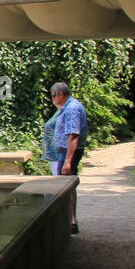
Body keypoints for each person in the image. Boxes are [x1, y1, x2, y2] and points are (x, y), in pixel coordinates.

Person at [49, 81, 88, 233]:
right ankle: (70, 221)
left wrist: (67, 161)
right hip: (64, 152)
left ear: (60, 94)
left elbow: (73, 136)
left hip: (67, 152)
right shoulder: (68, 107)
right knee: (67, 187)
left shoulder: (71, 109)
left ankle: (69, 222)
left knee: (64, 187)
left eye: (53, 96)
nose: (52, 99)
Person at [42, 101, 64, 175]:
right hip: (53, 151)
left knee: (61, 179)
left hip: (59, 151)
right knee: (57, 176)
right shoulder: (58, 111)